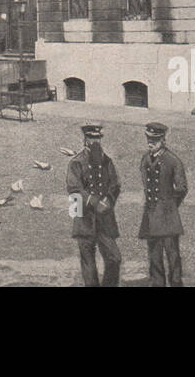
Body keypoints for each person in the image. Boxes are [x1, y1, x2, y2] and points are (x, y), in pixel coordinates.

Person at [66, 122, 122, 287]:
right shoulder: (77, 162)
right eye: (91, 138)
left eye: (97, 138)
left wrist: (109, 200)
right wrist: (94, 202)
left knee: (114, 258)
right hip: (84, 217)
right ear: (85, 139)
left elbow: (115, 184)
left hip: (104, 218)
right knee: (88, 263)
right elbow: (74, 188)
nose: (95, 141)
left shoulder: (107, 161)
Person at [138, 122, 187, 287]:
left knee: (172, 254)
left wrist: (170, 206)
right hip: (151, 214)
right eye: (148, 139)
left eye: (155, 140)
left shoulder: (173, 160)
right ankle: (158, 283)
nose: (150, 143)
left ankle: (176, 283)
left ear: (163, 140)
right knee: (154, 254)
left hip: (167, 215)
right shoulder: (145, 159)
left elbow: (181, 188)